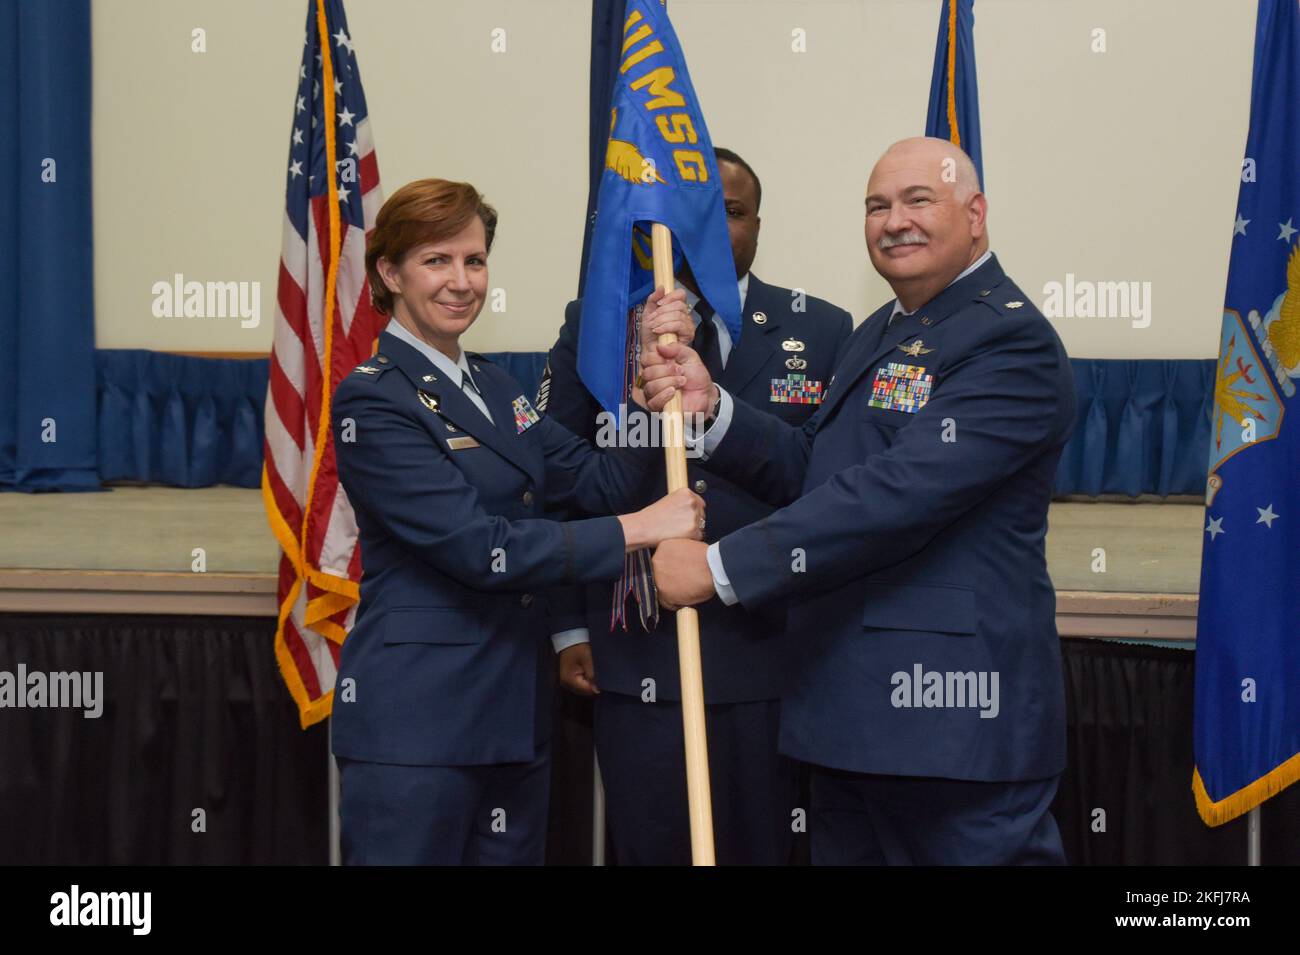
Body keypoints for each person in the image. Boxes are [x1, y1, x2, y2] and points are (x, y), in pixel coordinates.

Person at [640, 137, 1078, 865]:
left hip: (953, 729)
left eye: (917, 201)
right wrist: (712, 406)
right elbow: (820, 465)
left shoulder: (1010, 341)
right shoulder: (883, 328)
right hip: (847, 716)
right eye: (877, 205)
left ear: (976, 215)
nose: (893, 220)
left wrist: (719, 568)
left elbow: (894, 495)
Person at [329, 178, 704, 865]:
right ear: (389, 272)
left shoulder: (498, 389)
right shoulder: (371, 401)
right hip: (418, 729)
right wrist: (640, 530)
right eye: (436, 260)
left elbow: (597, 481)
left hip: (514, 720)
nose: (461, 281)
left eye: (474, 260)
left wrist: (654, 394)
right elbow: (480, 548)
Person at [541, 148, 853, 864]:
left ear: (757, 226)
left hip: (772, 658)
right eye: (687, 214)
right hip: (636, 655)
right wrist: (565, 628)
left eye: (730, 213)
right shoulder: (598, 325)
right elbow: (552, 482)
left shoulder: (824, 330)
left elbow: (829, 485)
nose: (708, 230)